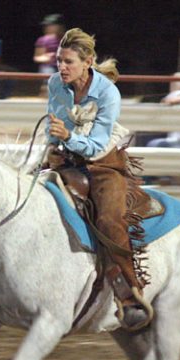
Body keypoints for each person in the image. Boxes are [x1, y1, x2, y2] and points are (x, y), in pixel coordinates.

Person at [45, 28, 151, 330]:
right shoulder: (55, 84)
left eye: (68, 62)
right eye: (58, 61)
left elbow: (97, 142)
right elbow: (51, 125)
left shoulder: (107, 93)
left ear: (87, 61)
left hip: (104, 163)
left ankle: (132, 293)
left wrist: (68, 137)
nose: (61, 68)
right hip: (64, 158)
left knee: (108, 220)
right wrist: (52, 144)